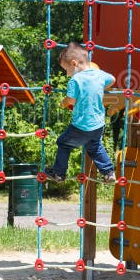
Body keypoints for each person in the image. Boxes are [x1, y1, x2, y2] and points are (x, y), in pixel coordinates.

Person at [45, 42, 117, 183]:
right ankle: (109, 173)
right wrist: (100, 87)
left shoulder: (75, 80)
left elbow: (70, 100)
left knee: (63, 143)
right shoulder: (100, 75)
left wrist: (63, 103)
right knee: (95, 147)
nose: (67, 73)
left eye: (66, 69)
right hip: (98, 124)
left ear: (74, 63)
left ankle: (59, 174)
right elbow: (113, 79)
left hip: (81, 126)